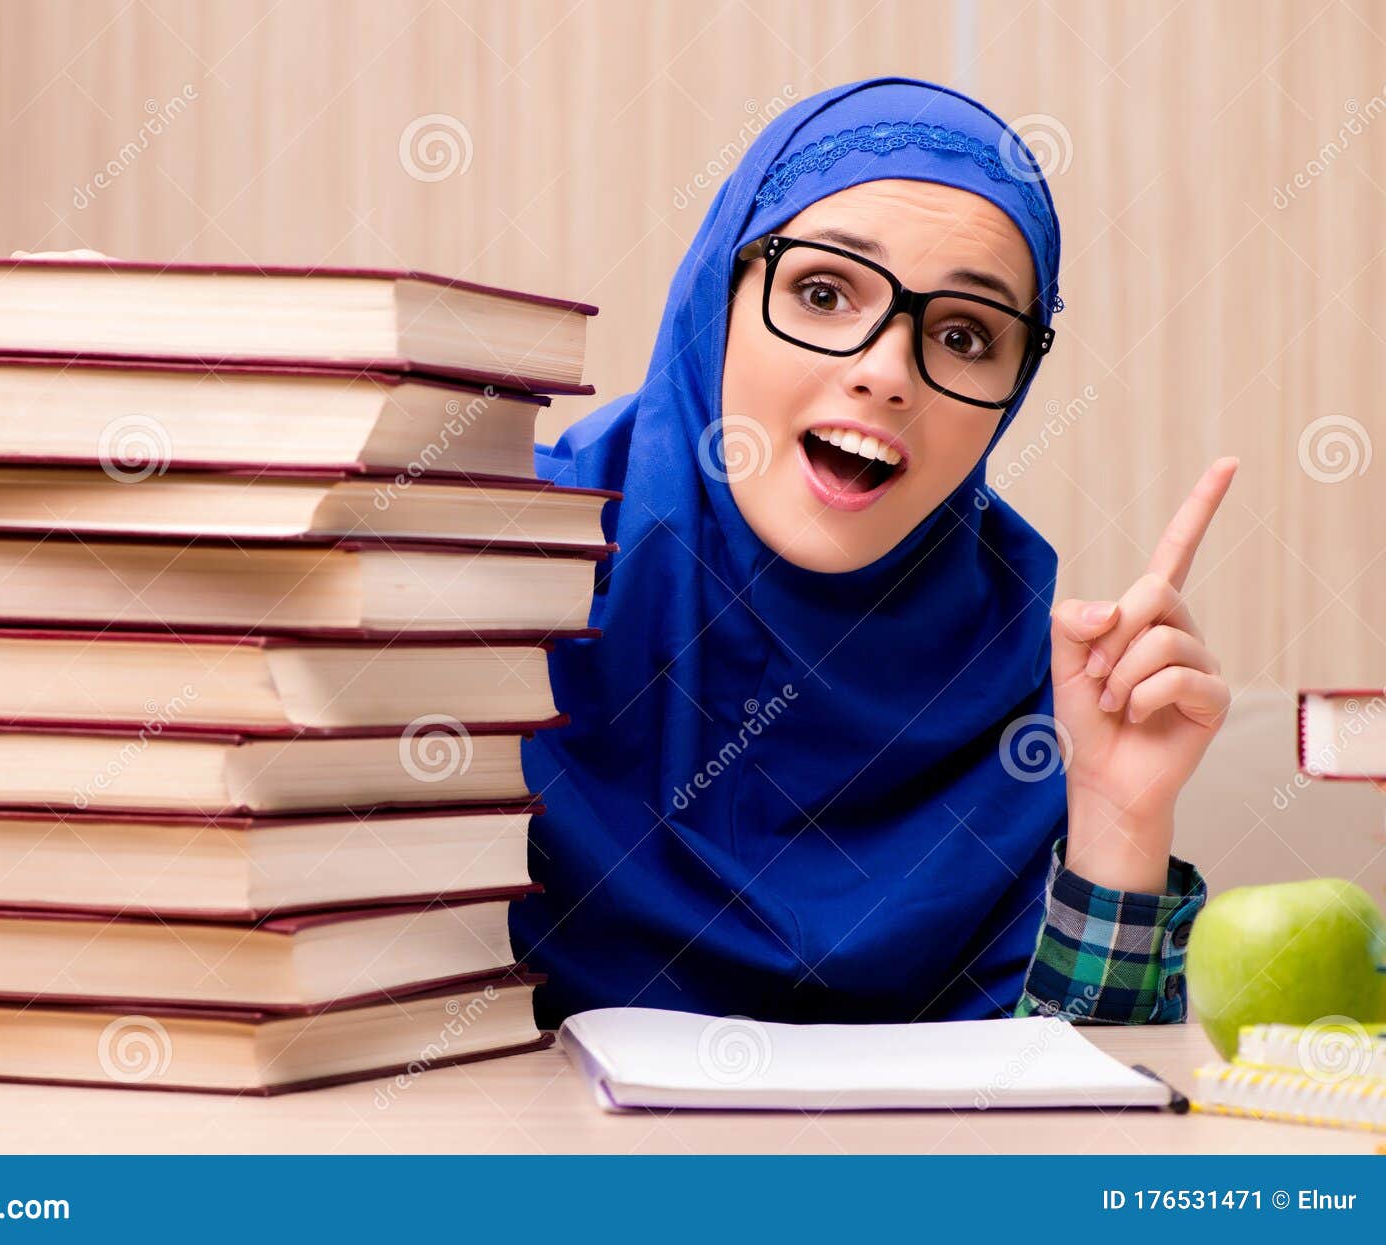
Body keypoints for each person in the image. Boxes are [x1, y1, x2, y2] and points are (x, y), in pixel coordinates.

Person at [511, 76, 1235, 1030]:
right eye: (822, 291)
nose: (887, 373)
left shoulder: (1035, 683)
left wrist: (1118, 824)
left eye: (966, 334)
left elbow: (1087, 1139)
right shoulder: (504, 559)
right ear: (715, 300)